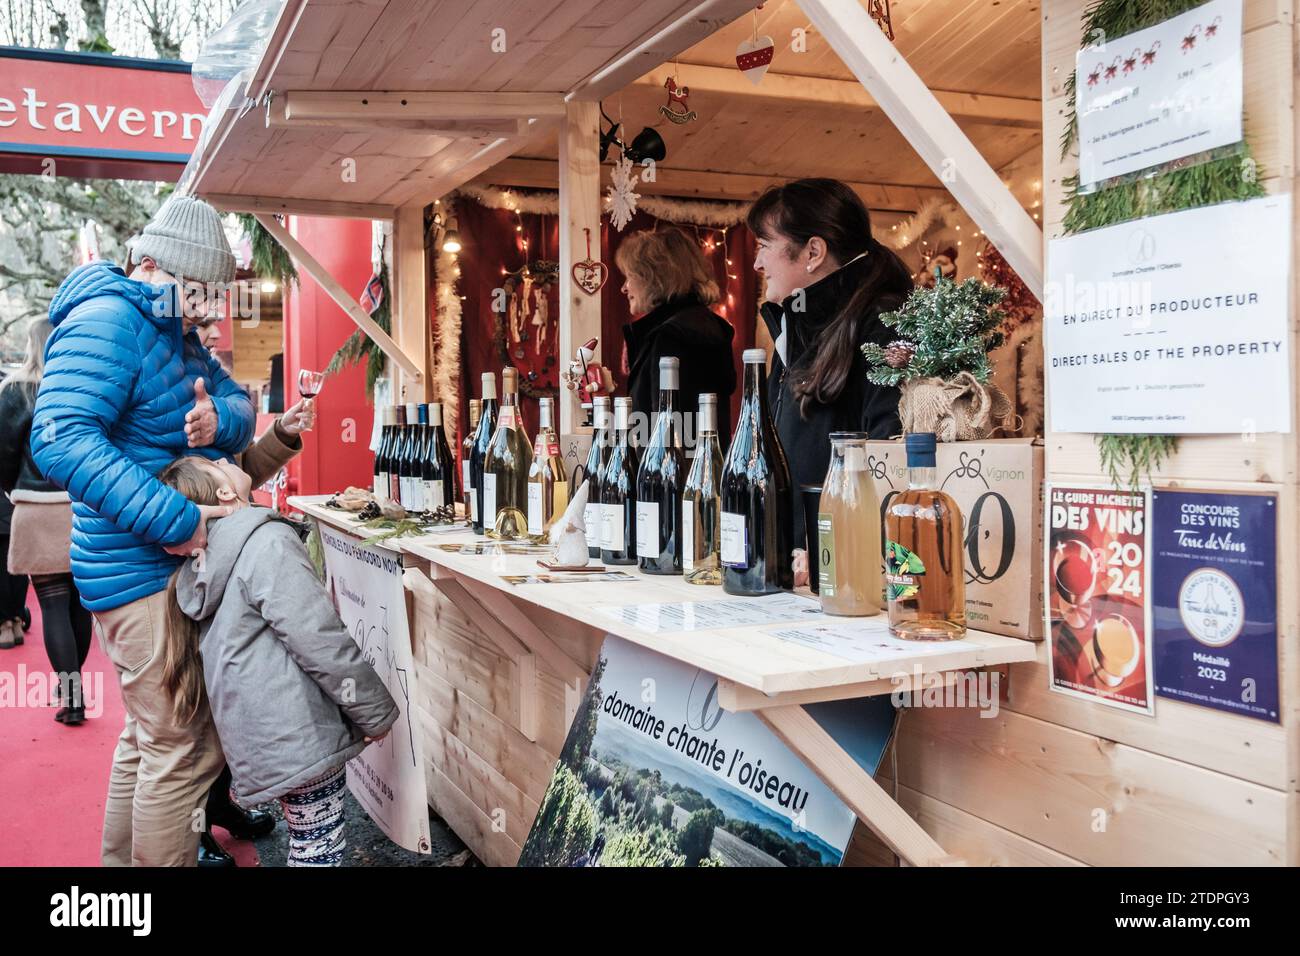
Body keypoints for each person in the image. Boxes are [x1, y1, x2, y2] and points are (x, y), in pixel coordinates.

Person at [31, 195, 256, 867]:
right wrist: (179, 522)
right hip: (137, 574)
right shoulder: (109, 321)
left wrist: (219, 420)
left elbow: (241, 405)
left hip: (156, 571)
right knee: (181, 749)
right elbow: (61, 439)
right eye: (202, 289)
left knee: (153, 741)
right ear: (153, 265)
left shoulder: (176, 333)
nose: (213, 306)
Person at [159, 455, 398, 867]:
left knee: (308, 843)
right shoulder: (265, 543)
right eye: (214, 462)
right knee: (318, 851)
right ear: (225, 491)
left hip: (264, 737)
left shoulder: (207, 563)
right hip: (299, 731)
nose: (223, 457)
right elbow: (319, 638)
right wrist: (374, 713)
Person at [747, 178, 913, 566]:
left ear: (813, 251)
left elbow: (890, 458)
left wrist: (831, 549)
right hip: (796, 565)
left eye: (764, 246)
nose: (757, 263)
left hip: (852, 570)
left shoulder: (886, 322)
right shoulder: (795, 324)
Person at [0, 319, 92, 721]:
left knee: (52, 605)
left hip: (36, 507)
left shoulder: (15, 391)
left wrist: (13, 488)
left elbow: (2, 454)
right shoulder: (83, 387)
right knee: (80, 605)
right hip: (84, 505)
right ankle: (71, 681)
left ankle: (72, 697)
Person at [616, 228, 737, 448]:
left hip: (673, 477)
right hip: (702, 472)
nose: (624, 287)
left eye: (630, 276)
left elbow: (668, 433)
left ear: (655, 277)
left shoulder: (672, 337)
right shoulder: (702, 326)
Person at [0, 366, 31, 651]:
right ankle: (16, 617)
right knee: (16, 559)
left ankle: (5, 624)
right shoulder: (12, 389)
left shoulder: (12, 390)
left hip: (11, 487)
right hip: (17, 492)